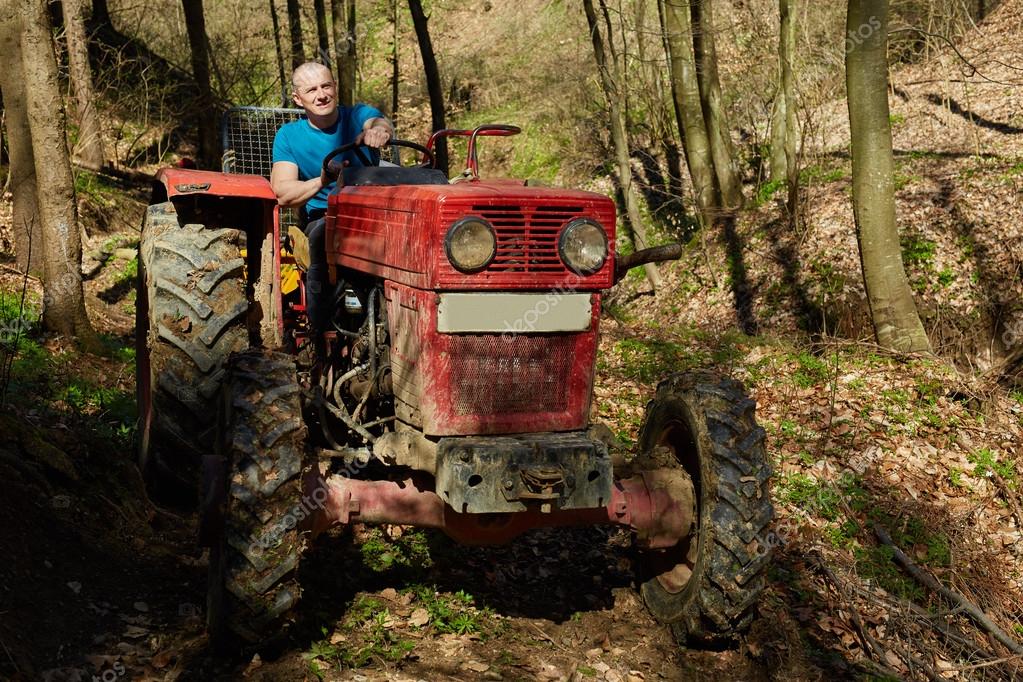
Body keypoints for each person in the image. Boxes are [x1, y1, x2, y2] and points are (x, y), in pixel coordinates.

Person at [270, 61, 393, 344]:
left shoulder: (356, 116)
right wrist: (322, 180)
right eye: (311, 90)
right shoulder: (288, 136)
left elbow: (378, 123)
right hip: (324, 217)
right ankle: (321, 337)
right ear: (298, 99)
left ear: (335, 88)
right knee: (322, 237)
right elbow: (283, 193)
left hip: (373, 215)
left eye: (326, 86)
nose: (321, 94)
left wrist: (378, 132)